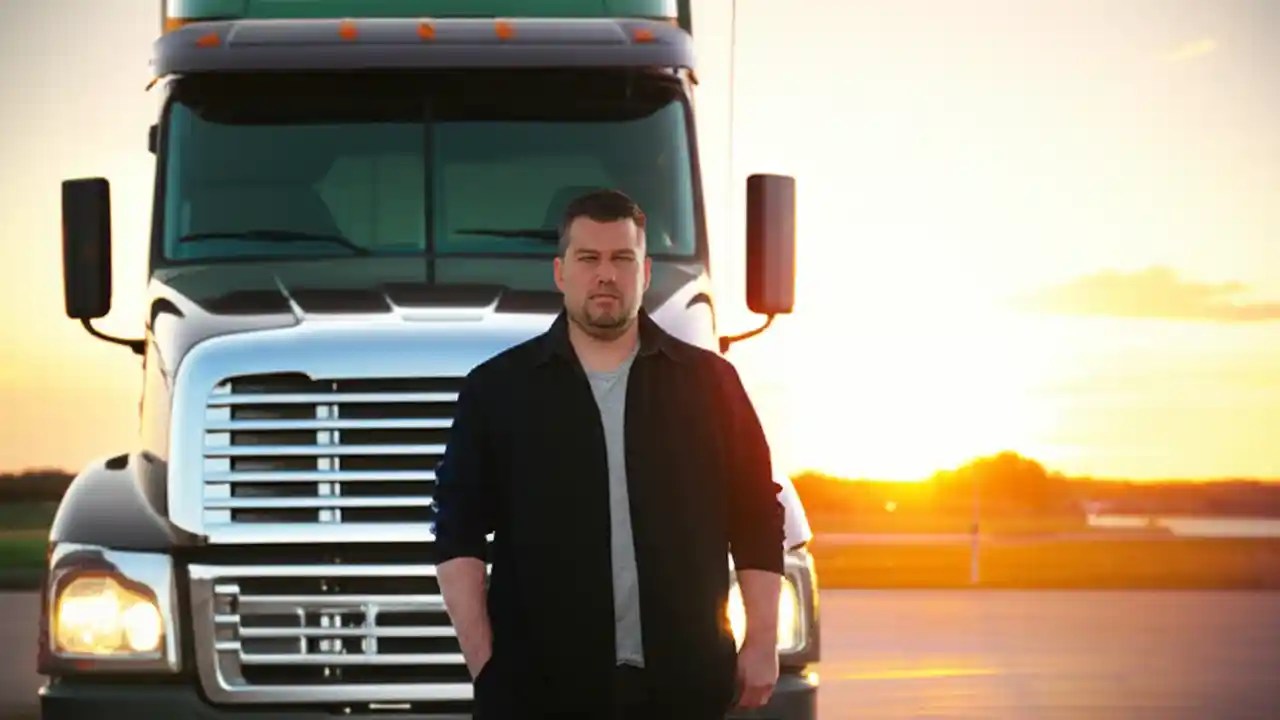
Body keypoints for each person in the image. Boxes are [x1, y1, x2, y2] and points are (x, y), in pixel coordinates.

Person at [433, 189, 785, 719]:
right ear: (560, 272)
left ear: (644, 273)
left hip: (688, 688)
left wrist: (761, 641)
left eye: (622, 258)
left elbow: (757, 514)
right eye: (588, 258)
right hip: (542, 694)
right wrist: (486, 665)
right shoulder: (497, 391)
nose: (606, 274)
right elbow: (457, 530)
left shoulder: (711, 385)